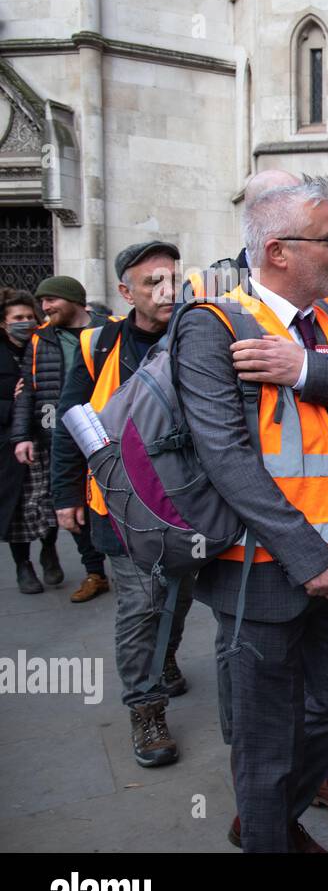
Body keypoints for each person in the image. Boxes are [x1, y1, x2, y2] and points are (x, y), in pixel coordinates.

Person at [174, 174, 328, 852]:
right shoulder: (212, 325)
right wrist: (308, 557)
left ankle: (265, 816)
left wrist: (306, 371)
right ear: (278, 250)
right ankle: (270, 830)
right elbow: (225, 458)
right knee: (264, 734)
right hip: (264, 565)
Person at [50, 241, 194, 768]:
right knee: (141, 606)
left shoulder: (195, 334)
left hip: (186, 505)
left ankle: (167, 659)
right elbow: (70, 426)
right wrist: (65, 495)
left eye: (172, 278)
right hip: (120, 506)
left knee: (177, 598)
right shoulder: (99, 345)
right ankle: (145, 709)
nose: (166, 290)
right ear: (125, 290)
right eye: (153, 281)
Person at [11, 275, 109, 602]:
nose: (45, 307)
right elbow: (27, 392)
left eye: (51, 300)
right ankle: (94, 572)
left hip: (107, 431)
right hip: (60, 435)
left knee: (116, 497)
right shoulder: (40, 340)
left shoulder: (110, 329)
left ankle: (133, 565)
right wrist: (22, 436)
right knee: (70, 501)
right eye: (42, 302)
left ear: (74, 299)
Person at [1, 288, 59, 594]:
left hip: (43, 436)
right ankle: (23, 565)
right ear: (4, 323)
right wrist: (11, 403)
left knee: (48, 500)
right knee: (19, 508)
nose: (25, 322)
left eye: (29, 316)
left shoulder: (42, 345)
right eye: (17, 318)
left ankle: (49, 551)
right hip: (9, 444)